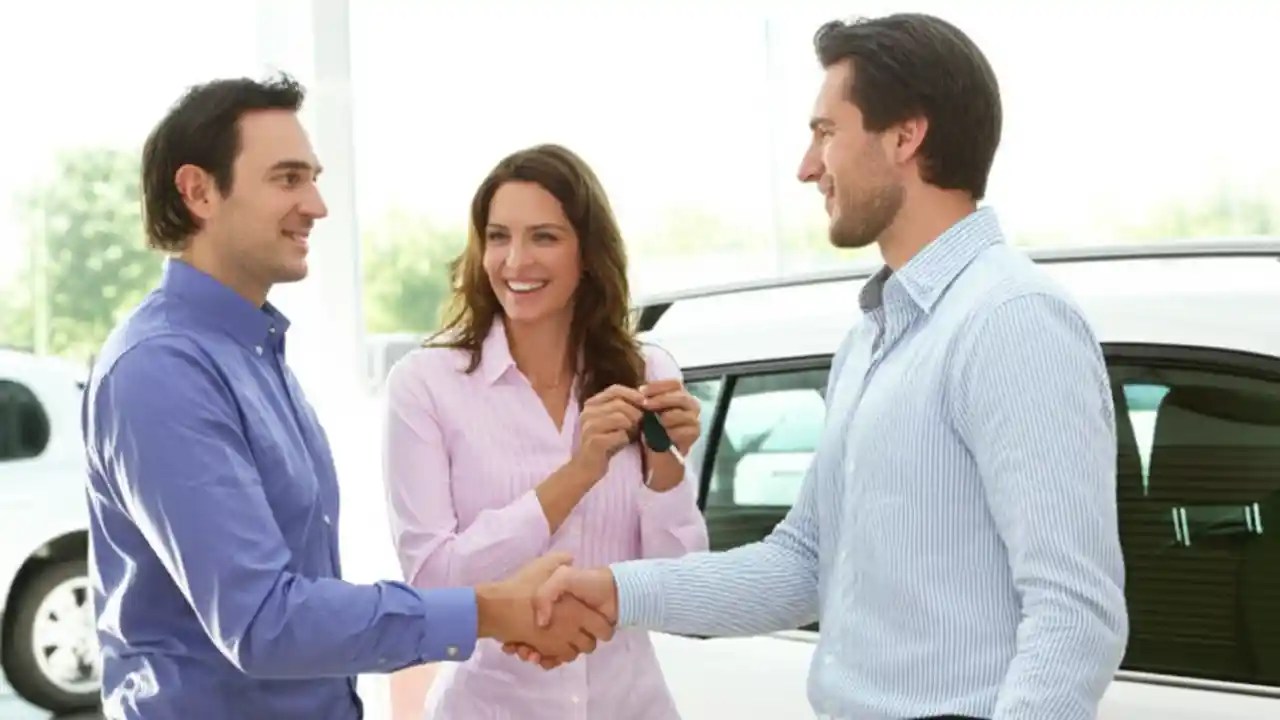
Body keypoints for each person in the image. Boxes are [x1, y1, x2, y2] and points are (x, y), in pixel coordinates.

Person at [512, 13, 1130, 720]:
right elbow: (804, 561)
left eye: (826, 132)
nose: (808, 167)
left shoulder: (1011, 319)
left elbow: (1075, 615)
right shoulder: (871, 338)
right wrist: (617, 590)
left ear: (905, 136)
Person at [81, 75, 613, 720]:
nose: (317, 205)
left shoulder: (254, 352)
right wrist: (492, 611)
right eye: (287, 179)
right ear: (199, 191)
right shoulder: (161, 369)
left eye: (313, 178)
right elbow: (264, 622)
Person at [380, 143, 709, 719]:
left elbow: (682, 593)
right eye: (498, 237)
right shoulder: (426, 385)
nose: (516, 261)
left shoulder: (648, 371)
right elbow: (433, 584)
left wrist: (664, 464)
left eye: (544, 237)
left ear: (588, 253)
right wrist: (578, 474)